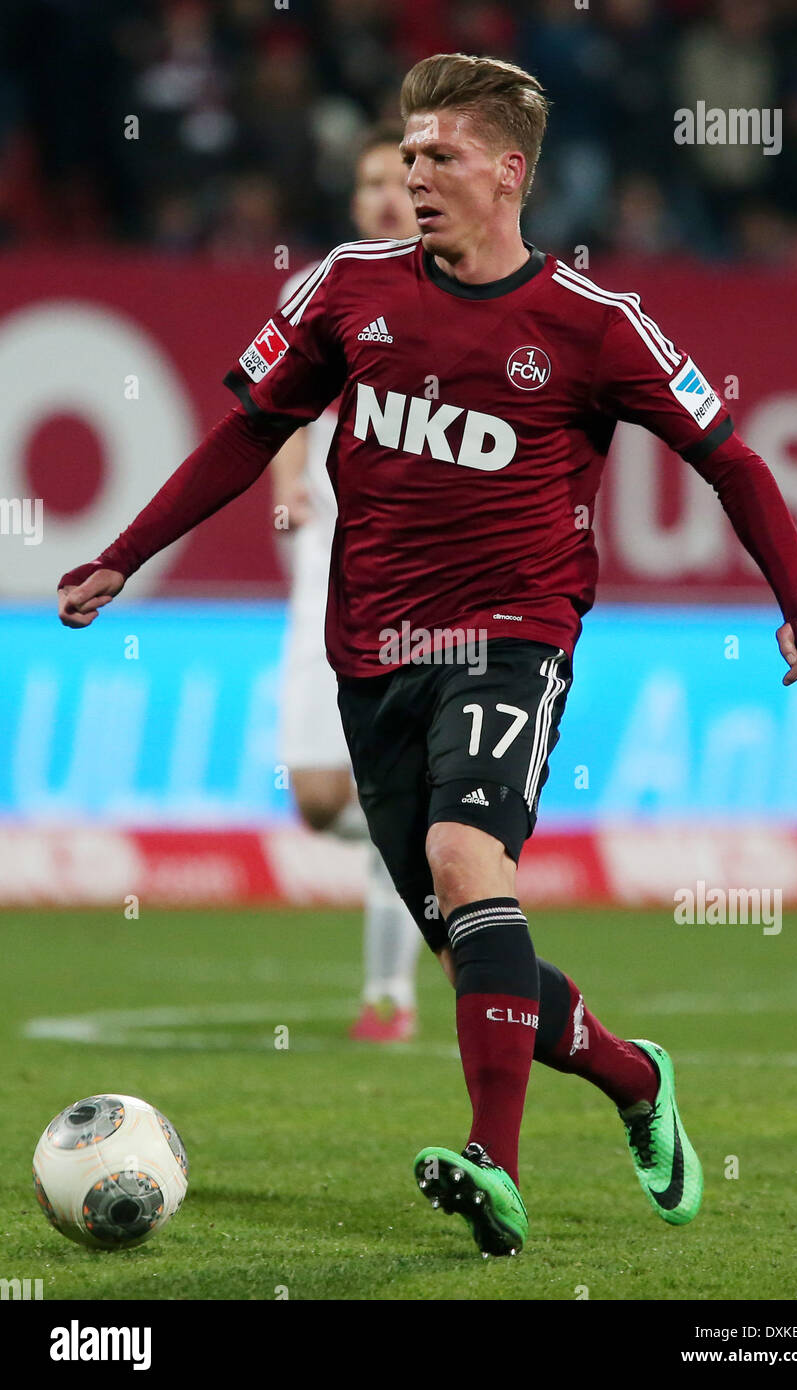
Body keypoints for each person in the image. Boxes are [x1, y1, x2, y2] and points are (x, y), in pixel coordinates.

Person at [58, 53, 797, 1259]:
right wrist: (122, 555)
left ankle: (495, 1163)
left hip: (511, 639)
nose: (416, 176)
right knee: (473, 939)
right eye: (408, 156)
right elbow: (247, 429)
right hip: (369, 656)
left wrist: (793, 603)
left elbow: (730, 461)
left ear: (509, 171)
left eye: (442, 157)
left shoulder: (592, 326)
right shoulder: (344, 291)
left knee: (468, 856)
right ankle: (635, 1079)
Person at [272, 125, 422, 1043]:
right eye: (369, 182)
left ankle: (389, 997)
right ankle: (421, 850)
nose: (382, 196)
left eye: (397, 179)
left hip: (399, 575)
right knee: (323, 800)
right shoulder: (318, 288)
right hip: (317, 569)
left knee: (382, 782)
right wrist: (290, 475)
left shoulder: (449, 289)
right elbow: (280, 403)